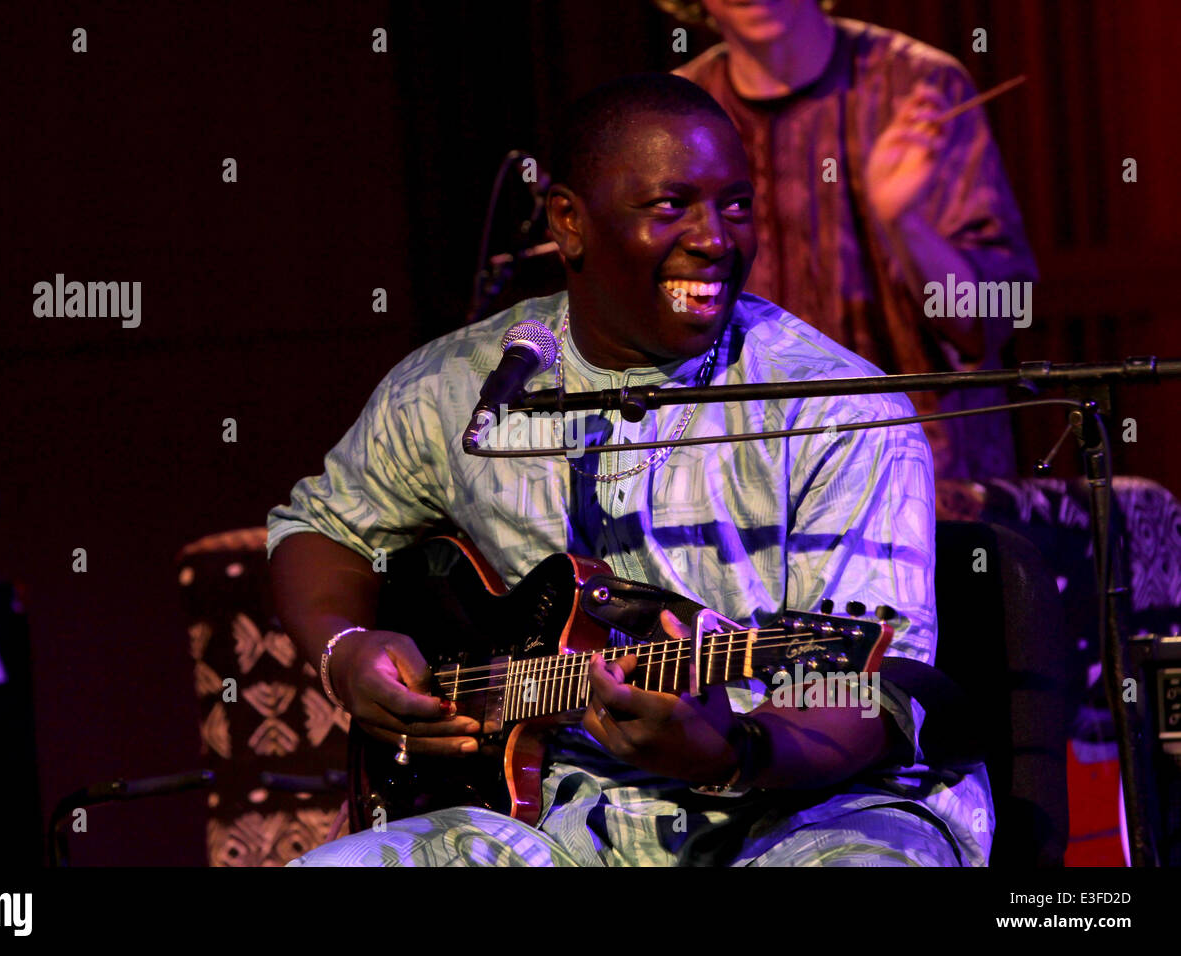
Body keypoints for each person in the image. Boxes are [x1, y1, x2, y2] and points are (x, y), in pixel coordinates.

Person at [268, 74, 991, 866]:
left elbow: (869, 686)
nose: (715, 237)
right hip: (551, 814)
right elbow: (322, 526)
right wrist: (346, 650)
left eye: (737, 205)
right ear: (569, 223)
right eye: (671, 206)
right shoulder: (463, 384)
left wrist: (726, 751)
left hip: (807, 809)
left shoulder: (840, 410)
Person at [660, 0, 1039, 481]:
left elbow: (992, 317)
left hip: (925, 479)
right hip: (747, 484)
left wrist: (906, 224)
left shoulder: (919, 85)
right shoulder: (675, 115)